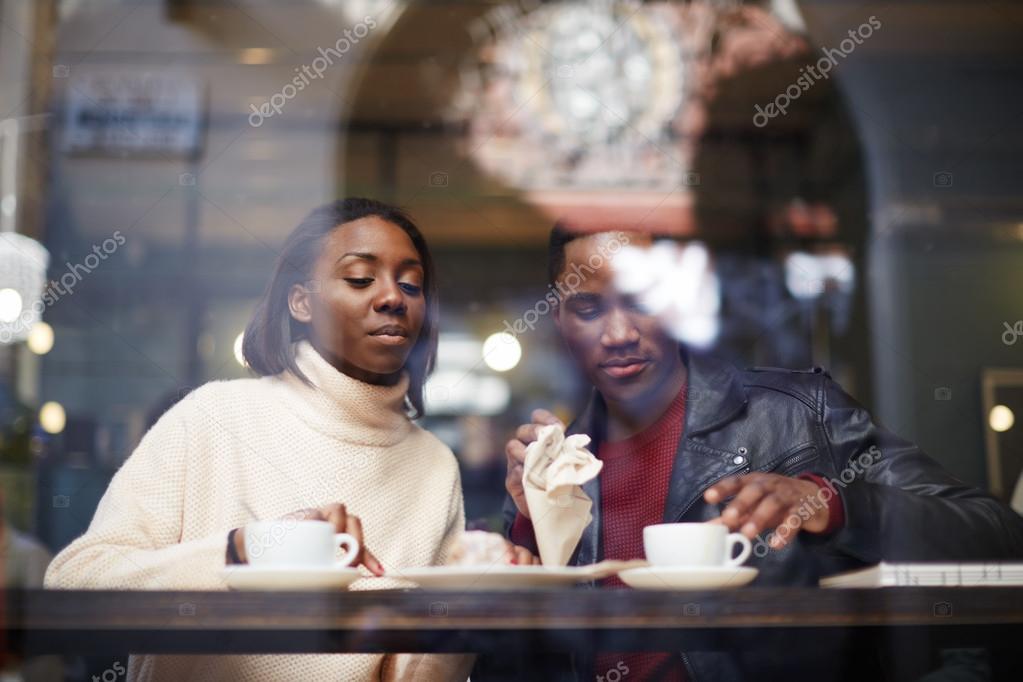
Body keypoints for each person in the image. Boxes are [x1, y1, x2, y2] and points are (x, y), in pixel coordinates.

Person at [501, 224, 1023, 681]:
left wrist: (835, 503)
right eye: (587, 308)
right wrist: (531, 525)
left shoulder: (800, 414)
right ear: (559, 322)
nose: (617, 334)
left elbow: (999, 537)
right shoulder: (553, 469)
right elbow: (513, 656)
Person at [45, 198, 531, 681]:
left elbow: (410, 673)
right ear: (301, 302)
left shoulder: (432, 464)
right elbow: (75, 589)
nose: (392, 298)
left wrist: (470, 612)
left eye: (411, 283)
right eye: (361, 278)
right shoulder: (213, 416)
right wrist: (248, 549)